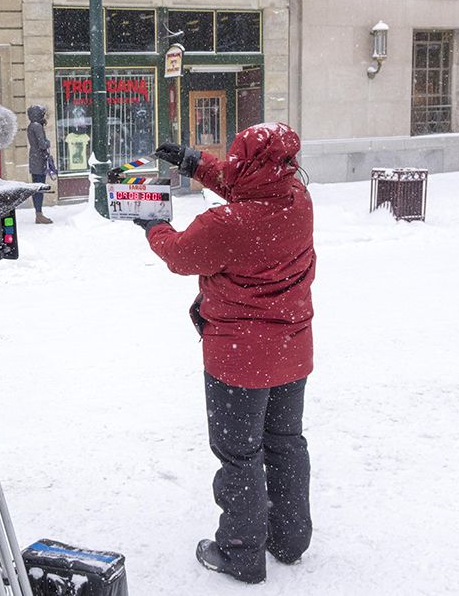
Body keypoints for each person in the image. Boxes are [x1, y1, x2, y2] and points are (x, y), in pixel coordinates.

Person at [136, 123, 315, 585]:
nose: (231, 164)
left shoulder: (229, 224)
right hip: (291, 351)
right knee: (285, 444)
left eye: (237, 156)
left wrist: (154, 225)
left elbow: (179, 255)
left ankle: (240, 553)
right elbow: (248, 181)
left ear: (250, 163)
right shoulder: (296, 198)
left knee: (239, 455)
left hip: (238, 358)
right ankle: (290, 539)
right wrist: (195, 163)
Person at [26, 104, 52, 224]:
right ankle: (39, 214)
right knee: (39, 187)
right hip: (39, 160)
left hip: (34, 158)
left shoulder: (31, 126)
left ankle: (38, 213)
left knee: (37, 186)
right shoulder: (37, 126)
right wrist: (48, 143)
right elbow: (42, 144)